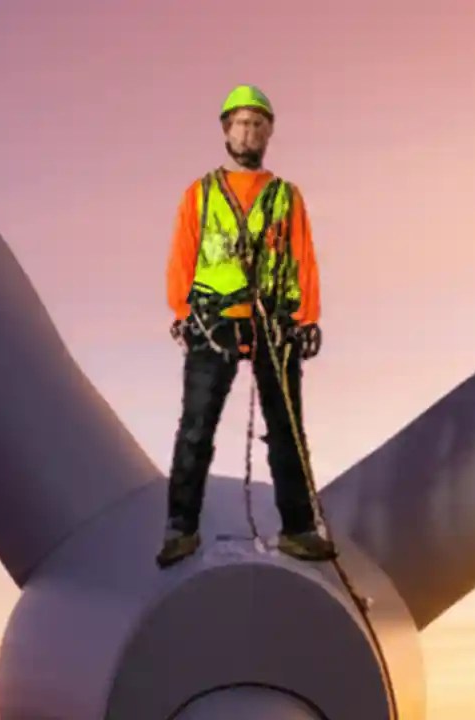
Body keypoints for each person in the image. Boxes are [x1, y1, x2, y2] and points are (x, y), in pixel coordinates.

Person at [156, 84, 337, 569]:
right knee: (196, 429)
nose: (249, 131)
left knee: (287, 429)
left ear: (269, 133)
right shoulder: (200, 194)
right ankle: (180, 528)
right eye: (241, 123)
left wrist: (307, 318)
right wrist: (181, 313)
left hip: (274, 326)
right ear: (225, 130)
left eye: (258, 124)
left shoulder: (286, 197)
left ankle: (298, 529)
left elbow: (303, 257)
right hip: (213, 320)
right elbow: (183, 253)